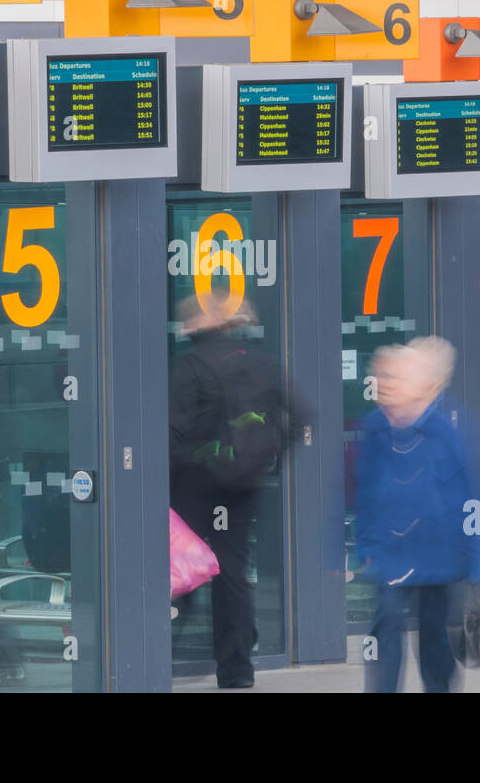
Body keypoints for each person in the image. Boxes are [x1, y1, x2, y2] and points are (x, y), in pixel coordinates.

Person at [168, 291, 302, 689]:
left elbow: (171, 433)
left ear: (200, 325)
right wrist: (263, 457)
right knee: (232, 574)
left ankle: (157, 653)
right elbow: (301, 417)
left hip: (193, 485)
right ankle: (237, 669)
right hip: (241, 488)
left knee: (179, 569)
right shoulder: (261, 364)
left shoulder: (189, 366)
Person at [356, 337, 480, 693]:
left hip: (439, 554)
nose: (383, 384)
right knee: (386, 632)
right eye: (381, 376)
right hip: (391, 552)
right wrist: (364, 543)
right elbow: (364, 489)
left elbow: (469, 497)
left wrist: (477, 560)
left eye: (393, 377)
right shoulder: (376, 427)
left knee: (435, 638)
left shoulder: (445, 430)